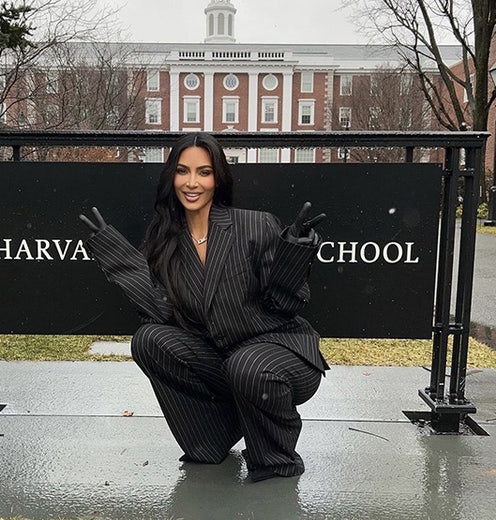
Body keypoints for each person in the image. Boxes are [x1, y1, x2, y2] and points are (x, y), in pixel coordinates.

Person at [80, 132, 328, 481]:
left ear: (218, 178)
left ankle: (276, 460)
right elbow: (162, 312)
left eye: (204, 172)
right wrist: (117, 256)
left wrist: (294, 255)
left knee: (248, 363)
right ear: (172, 177)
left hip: (281, 355)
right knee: (149, 340)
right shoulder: (165, 240)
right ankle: (213, 437)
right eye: (183, 171)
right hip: (223, 360)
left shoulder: (255, 224)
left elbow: (283, 304)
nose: (192, 182)